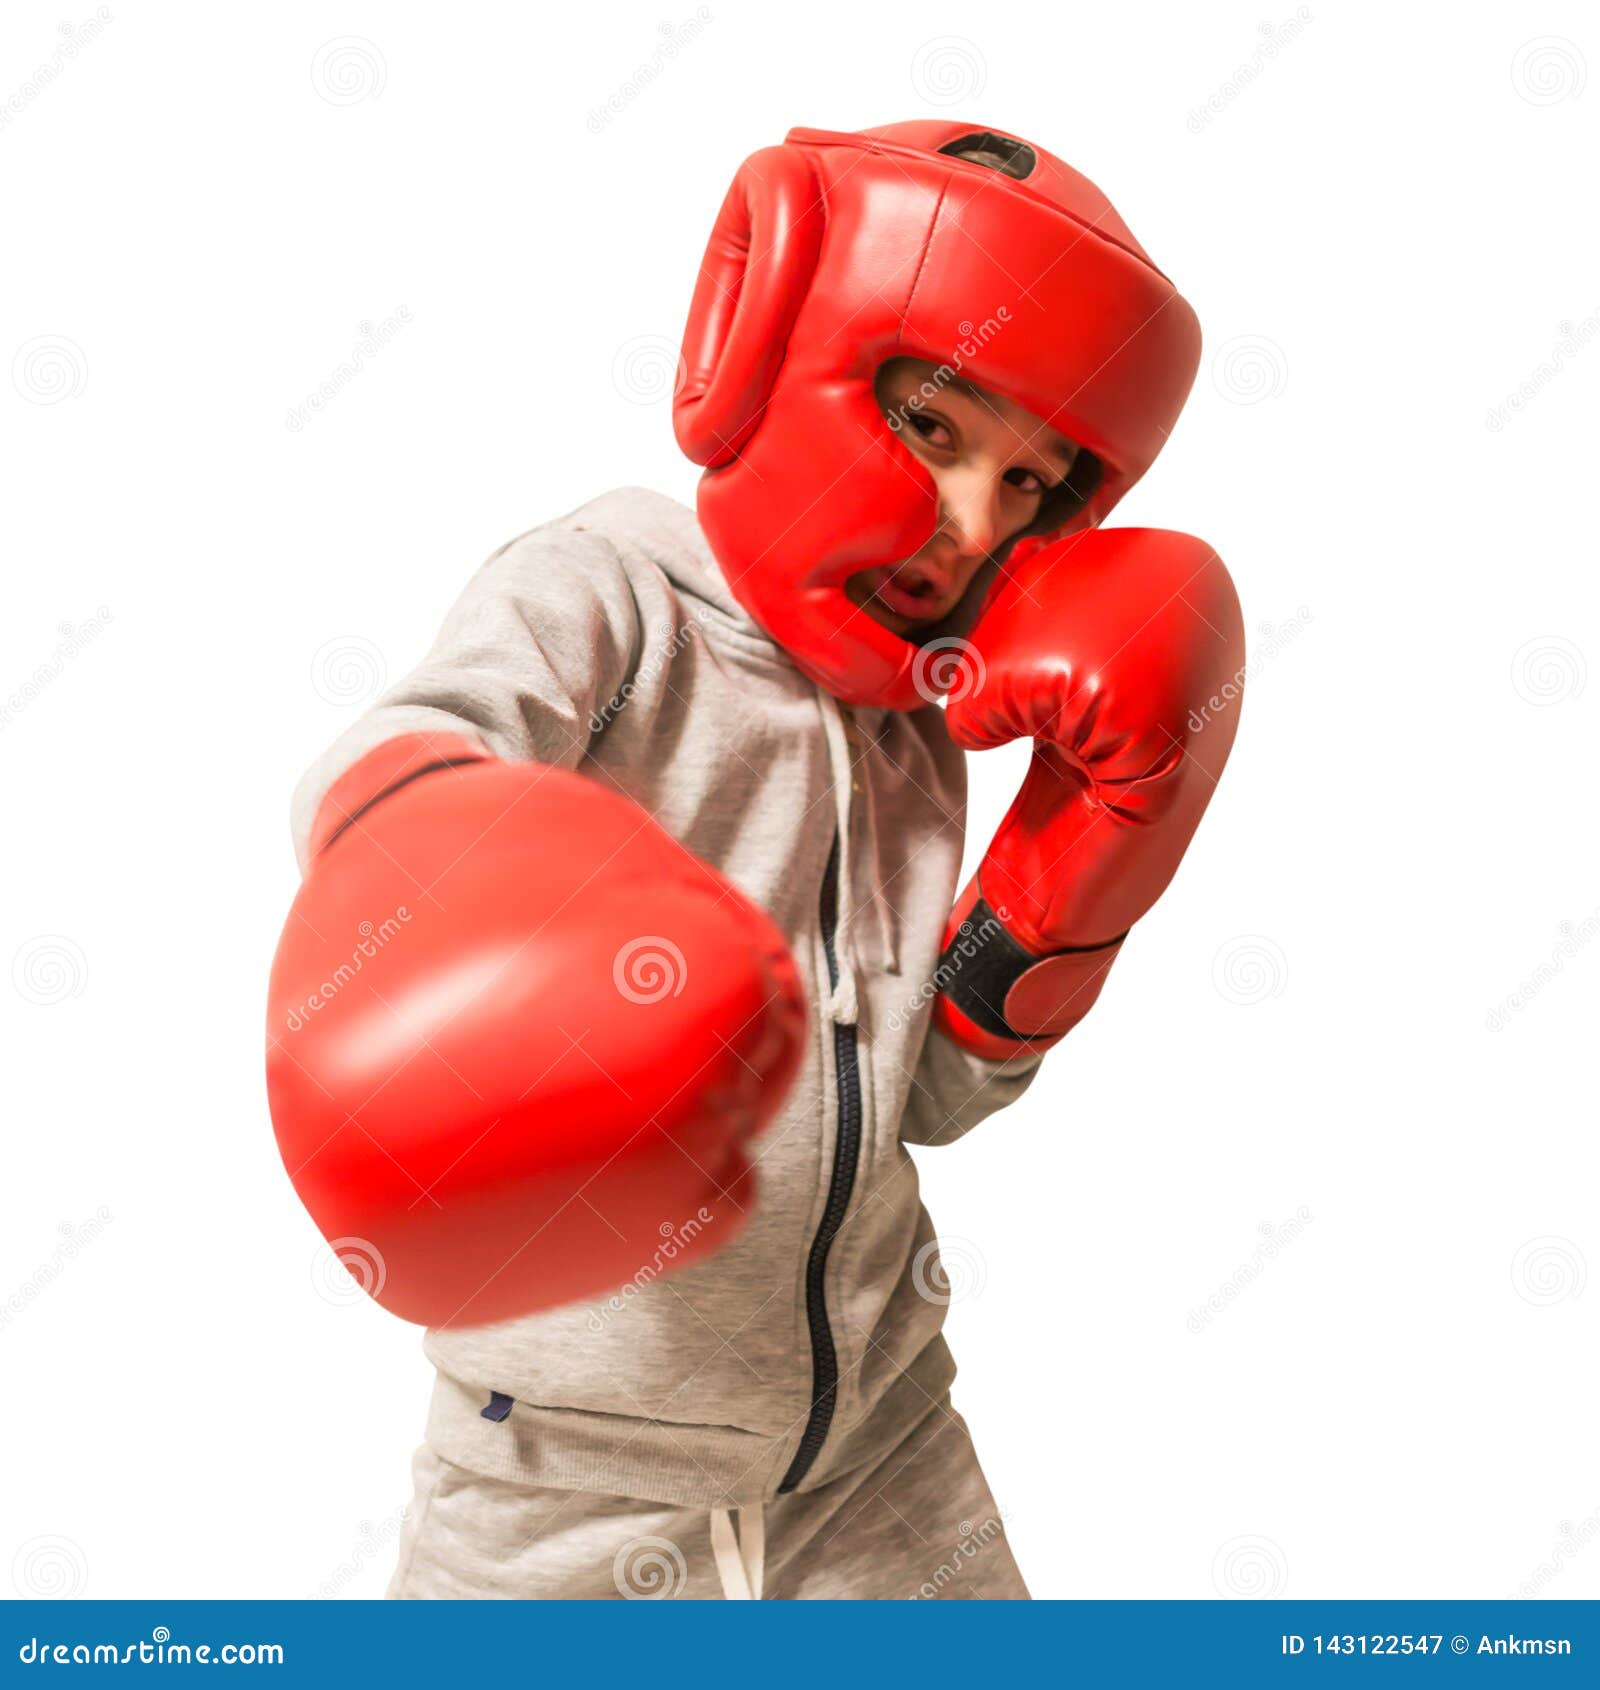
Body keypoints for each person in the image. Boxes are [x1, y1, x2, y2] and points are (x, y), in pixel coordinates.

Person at [265, 121, 1244, 1600]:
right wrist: (478, 898)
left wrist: (1075, 878)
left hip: (879, 1451)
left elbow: (919, 1092)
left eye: (1034, 483)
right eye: (934, 426)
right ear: (770, 346)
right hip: (560, 1474)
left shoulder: (919, 722)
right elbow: (395, 756)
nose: (976, 521)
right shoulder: (608, 596)